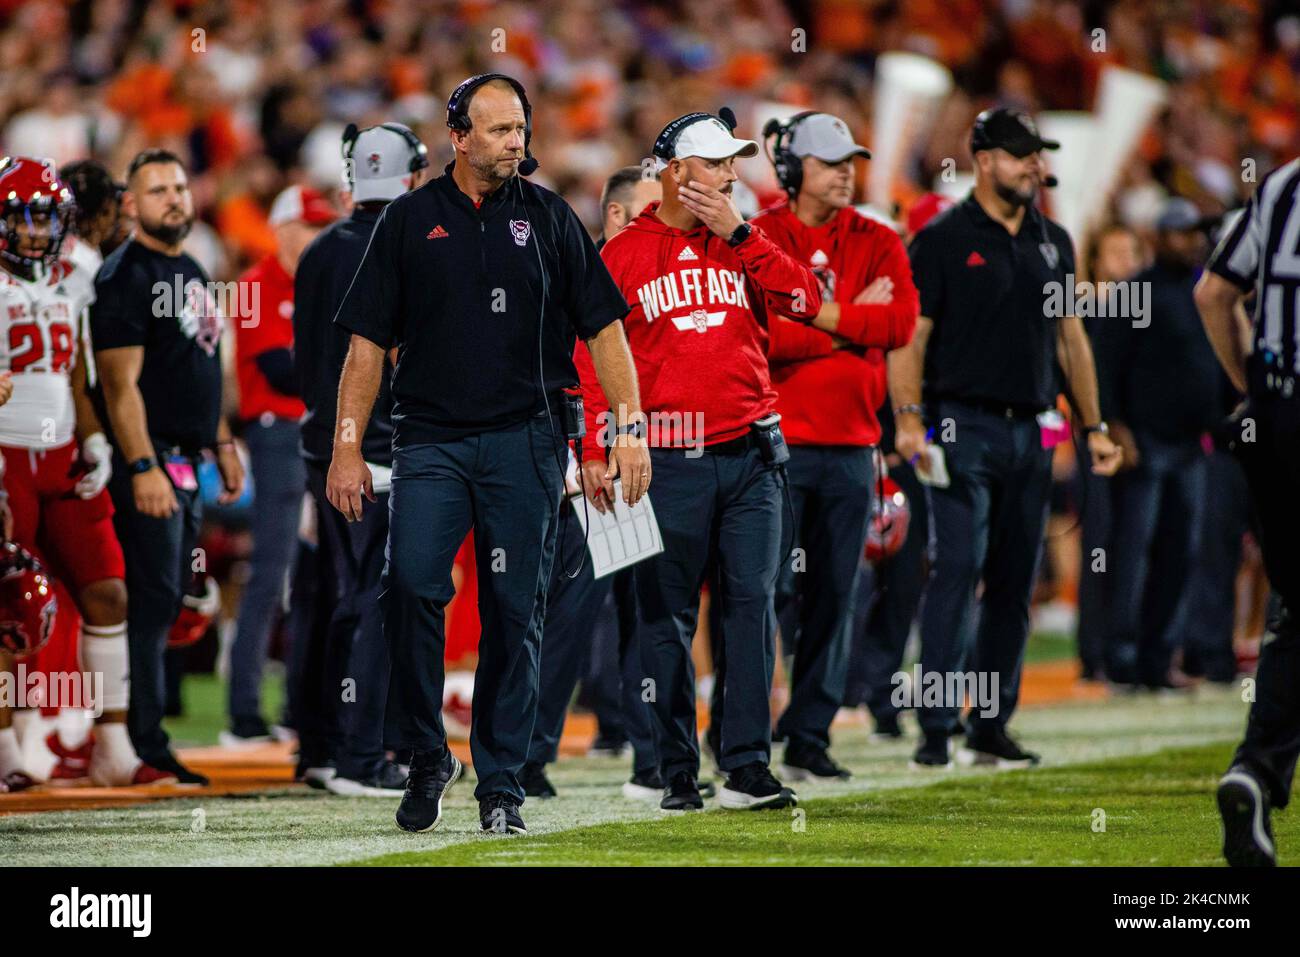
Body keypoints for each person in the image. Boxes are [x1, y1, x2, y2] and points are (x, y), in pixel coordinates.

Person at [327, 75, 647, 835]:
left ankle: (501, 782)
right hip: (429, 437)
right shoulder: (407, 221)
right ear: (458, 138)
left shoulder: (552, 218)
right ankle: (428, 752)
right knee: (409, 588)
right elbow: (366, 345)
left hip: (527, 437)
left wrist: (627, 429)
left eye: (521, 129)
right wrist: (347, 449)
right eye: (500, 130)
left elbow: (605, 330)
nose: (516, 142)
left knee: (515, 610)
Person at [580, 109, 820, 812]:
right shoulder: (624, 253)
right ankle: (674, 769)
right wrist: (598, 444)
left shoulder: (748, 239)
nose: (729, 175)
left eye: (732, 164)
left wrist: (741, 236)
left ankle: (745, 765)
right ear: (676, 174)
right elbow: (590, 358)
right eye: (714, 164)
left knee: (752, 609)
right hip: (665, 459)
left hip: (751, 452)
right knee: (666, 620)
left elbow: (806, 300)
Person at [890, 108, 1121, 770]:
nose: (1034, 166)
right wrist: (909, 418)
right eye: (1021, 155)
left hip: (1034, 430)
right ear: (984, 159)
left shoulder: (1056, 240)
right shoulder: (939, 239)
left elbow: (1071, 336)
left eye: (1037, 156)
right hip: (962, 425)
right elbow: (913, 336)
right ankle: (936, 725)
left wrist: (1095, 424)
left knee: (1015, 580)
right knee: (957, 568)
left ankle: (990, 724)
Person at [740, 110, 918, 779]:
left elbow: (898, 323)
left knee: (836, 594)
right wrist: (848, 324)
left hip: (851, 445)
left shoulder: (878, 236)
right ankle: (746, 727)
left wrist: (813, 312)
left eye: (850, 163)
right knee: (760, 590)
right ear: (794, 170)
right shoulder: (759, 235)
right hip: (774, 443)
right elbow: (763, 337)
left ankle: (810, 734)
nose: (847, 174)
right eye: (831, 163)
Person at [0, 156, 174, 790]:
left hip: (64, 454)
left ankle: (112, 744)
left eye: (45, 218)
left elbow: (75, 374)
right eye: (22, 219)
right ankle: (7, 749)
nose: (36, 233)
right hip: (7, 453)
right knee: (9, 601)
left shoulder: (75, 276)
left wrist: (97, 440)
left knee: (108, 592)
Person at [92, 148, 245, 786]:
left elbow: (199, 365)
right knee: (151, 602)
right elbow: (118, 385)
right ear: (131, 203)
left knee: (170, 602)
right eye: (157, 190)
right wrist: (143, 464)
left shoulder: (192, 266)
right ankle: (139, 745)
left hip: (189, 461)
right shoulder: (124, 275)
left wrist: (223, 441)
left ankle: (148, 739)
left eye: (179, 187)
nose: (174, 199)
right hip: (151, 464)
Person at [293, 123, 427, 796]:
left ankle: (319, 745)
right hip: (373, 450)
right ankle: (358, 753)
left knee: (332, 595)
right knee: (372, 601)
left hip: (324, 445)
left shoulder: (318, 250)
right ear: (412, 175)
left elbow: (305, 362)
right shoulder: (402, 246)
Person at [522, 164, 661, 801]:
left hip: (655, 456)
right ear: (616, 216)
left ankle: (649, 749)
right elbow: (570, 370)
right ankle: (529, 752)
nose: (663, 223)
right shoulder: (583, 271)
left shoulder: (663, 270)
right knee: (571, 615)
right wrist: (583, 455)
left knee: (648, 613)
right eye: (649, 211)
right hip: (596, 464)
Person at [1197, 156, 1300, 867]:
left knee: (1294, 604)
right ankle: (1257, 766)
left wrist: (1254, 398)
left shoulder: (1285, 182)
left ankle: (1257, 768)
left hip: (1276, 417)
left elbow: (1212, 293)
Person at [1091, 199, 1221, 689]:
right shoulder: (1135, 293)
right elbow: (1104, 362)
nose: (1192, 242)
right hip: (1145, 441)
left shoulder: (1203, 289)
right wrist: (1115, 425)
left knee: (1180, 552)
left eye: (1195, 233)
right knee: (1132, 554)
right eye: (1183, 234)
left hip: (1191, 444)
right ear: (1161, 238)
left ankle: (1158, 659)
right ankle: (1121, 659)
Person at [223, 185, 335, 746]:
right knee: (272, 571)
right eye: (311, 227)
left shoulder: (317, 286)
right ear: (284, 228)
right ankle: (243, 711)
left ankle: (300, 709)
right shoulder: (256, 287)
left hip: (320, 434)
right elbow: (278, 370)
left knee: (318, 578)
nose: (320, 237)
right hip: (278, 433)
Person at [1074, 223, 1143, 681]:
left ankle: (1127, 648)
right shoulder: (1079, 308)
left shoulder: (1143, 308)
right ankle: (1093, 652)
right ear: (1097, 260)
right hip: (1092, 435)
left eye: (1130, 253)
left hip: (1140, 439)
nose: (1123, 263)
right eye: (1114, 253)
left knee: (1134, 545)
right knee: (1097, 539)